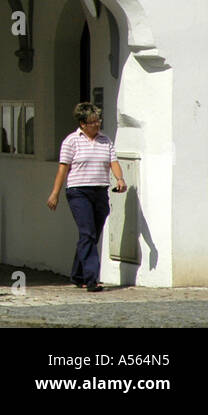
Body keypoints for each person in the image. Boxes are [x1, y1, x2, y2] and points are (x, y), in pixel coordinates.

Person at [46, 102, 127, 292]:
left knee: (91, 235)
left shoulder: (105, 141)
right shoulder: (71, 141)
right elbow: (63, 169)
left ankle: (78, 274)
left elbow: (113, 162)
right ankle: (91, 280)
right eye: (93, 122)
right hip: (78, 192)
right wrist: (55, 193)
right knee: (87, 233)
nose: (97, 124)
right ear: (83, 123)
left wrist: (120, 179)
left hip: (100, 191)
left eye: (98, 120)